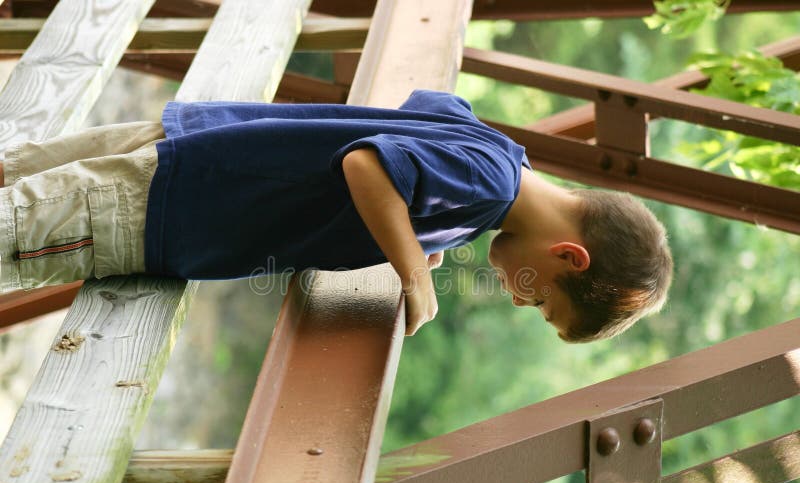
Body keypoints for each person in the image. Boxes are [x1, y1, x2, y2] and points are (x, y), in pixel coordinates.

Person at [0, 90, 672, 341]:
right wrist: (413, 271)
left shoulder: (502, 157)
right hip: (160, 207)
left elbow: (427, 110)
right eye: (541, 301)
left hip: (182, 144)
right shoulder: (492, 187)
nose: (519, 299)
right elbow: (368, 166)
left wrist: (417, 227)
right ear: (569, 257)